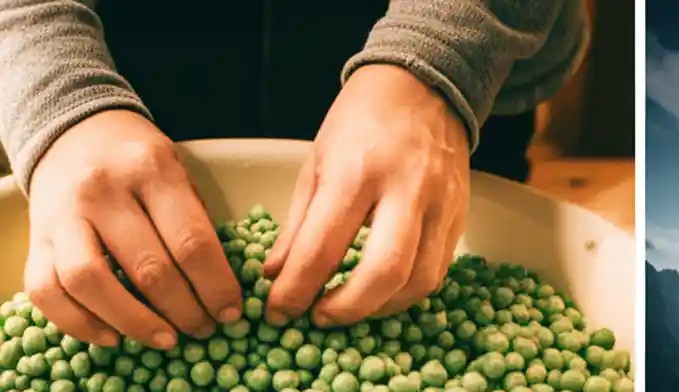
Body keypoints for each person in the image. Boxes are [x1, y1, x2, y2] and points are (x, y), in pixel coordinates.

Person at [0, 0, 587, 351]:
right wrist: (59, 96)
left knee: (425, 250)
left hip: (443, 99)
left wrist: (443, 56)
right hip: (130, 68)